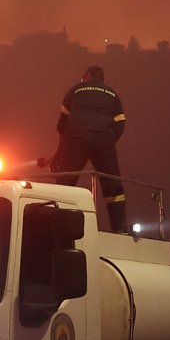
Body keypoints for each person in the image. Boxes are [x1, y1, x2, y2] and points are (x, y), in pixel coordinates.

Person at [50, 65, 129, 232]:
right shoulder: (112, 94)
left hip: (77, 138)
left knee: (66, 180)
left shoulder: (76, 90)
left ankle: (59, 225)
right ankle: (120, 228)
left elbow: (62, 124)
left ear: (86, 76)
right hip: (104, 140)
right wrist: (107, 139)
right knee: (112, 184)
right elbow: (120, 123)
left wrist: (61, 152)